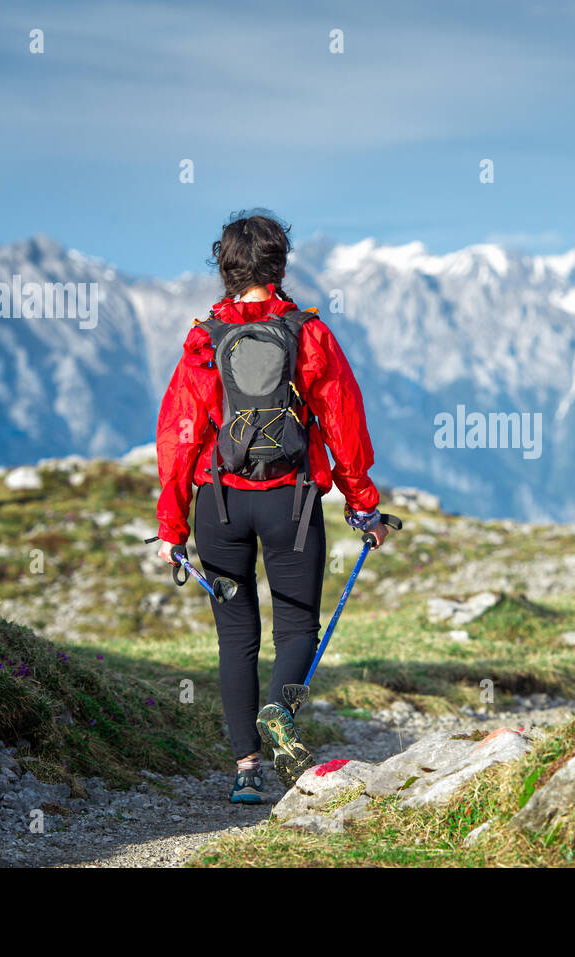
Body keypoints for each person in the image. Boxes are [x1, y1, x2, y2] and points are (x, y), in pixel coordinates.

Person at [153, 210, 387, 804]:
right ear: (279, 265)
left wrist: (171, 528)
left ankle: (246, 770)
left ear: (225, 267)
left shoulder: (204, 338)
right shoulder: (308, 333)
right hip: (295, 504)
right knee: (297, 627)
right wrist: (364, 506)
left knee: (236, 639)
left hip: (220, 506)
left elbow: (180, 437)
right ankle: (279, 713)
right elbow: (343, 421)